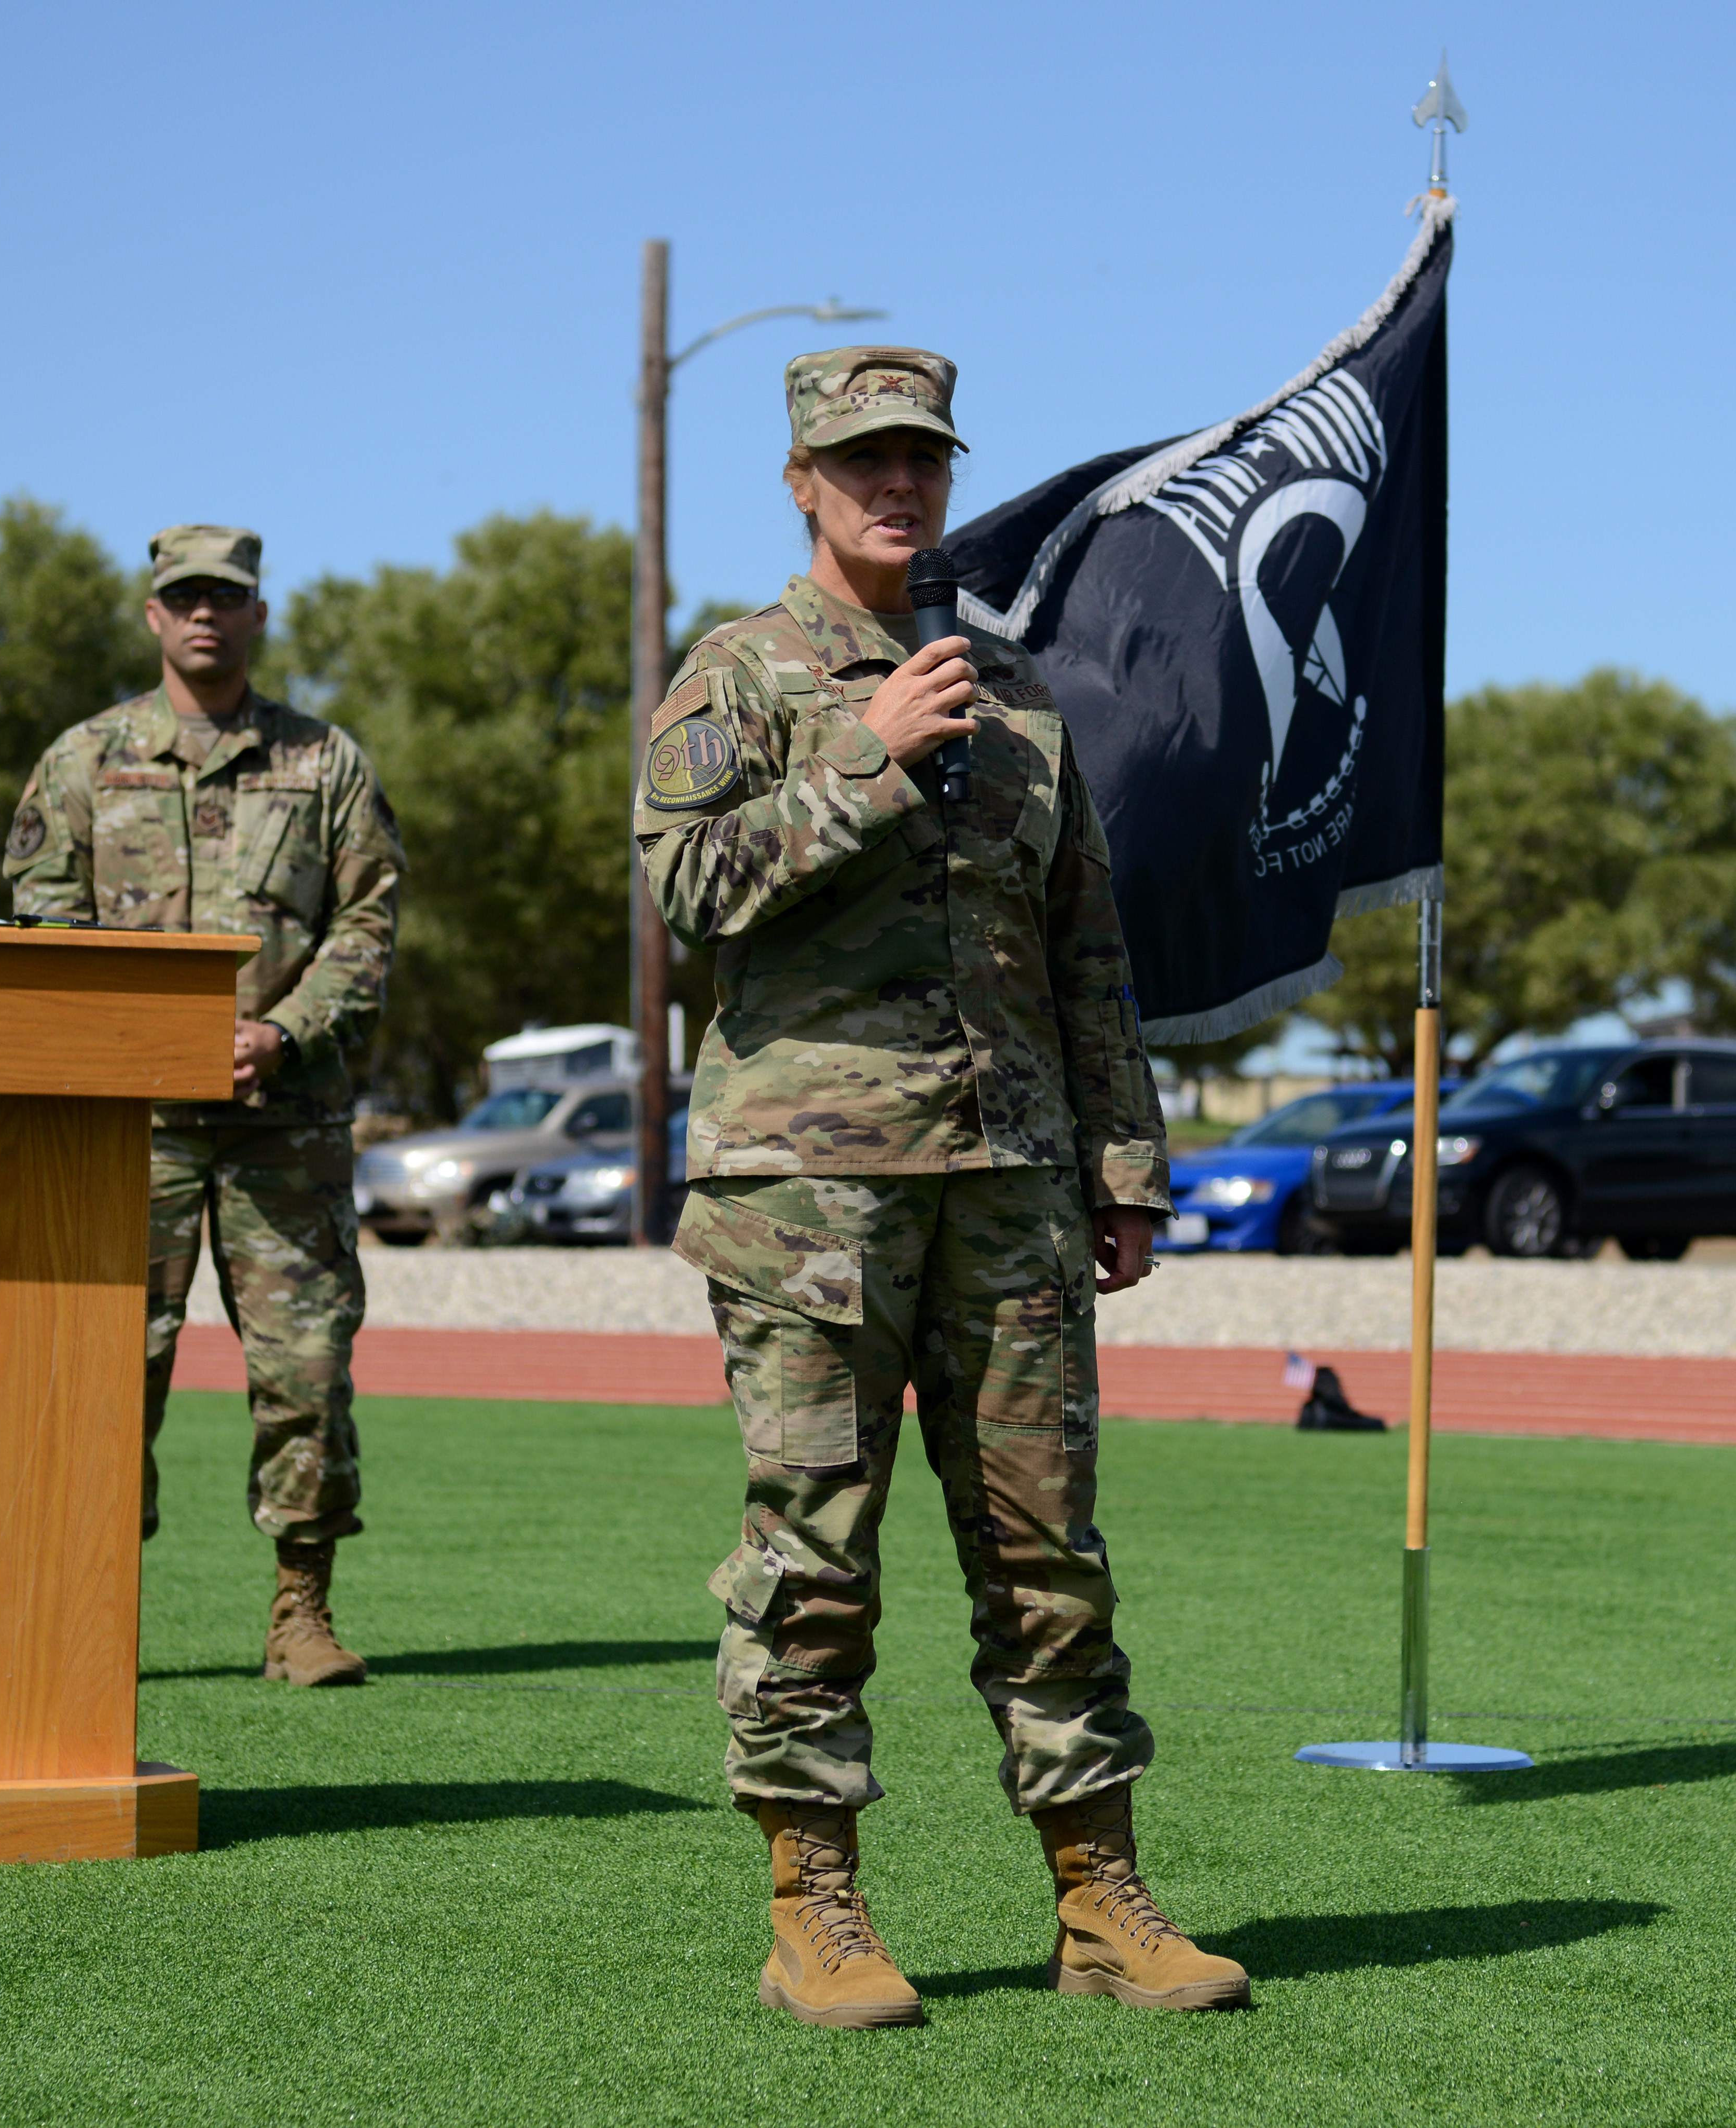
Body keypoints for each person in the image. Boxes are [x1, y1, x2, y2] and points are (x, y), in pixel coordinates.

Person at [636, 350, 1250, 2026]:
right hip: (807, 1200)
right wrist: (865, 755)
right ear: (799, 482)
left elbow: (1084, 948)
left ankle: (1098, 1901)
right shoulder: (739, 675)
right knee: (814, 1555)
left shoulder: (1022, 693)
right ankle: (811, 1912)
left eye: (917, 459)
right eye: (859, 463)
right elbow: (687, 884)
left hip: (1011, 1183)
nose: (893, 488)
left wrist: (1122, 1166)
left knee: (1049, 1556)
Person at [5, 524, 404, 1687]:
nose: (205, 617)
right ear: (151, 613)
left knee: (306, 1370)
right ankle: (94, 1607)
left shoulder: (324, 762)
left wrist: (282, 1032)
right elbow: (43, 924)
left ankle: (300, 1612)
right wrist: (133, 1039)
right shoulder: (84, 762)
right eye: (184, 597)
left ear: (257, 613)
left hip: (285, 1125)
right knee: (103, 1373)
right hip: (129, 1135)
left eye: (226, 598)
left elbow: (368, 924)